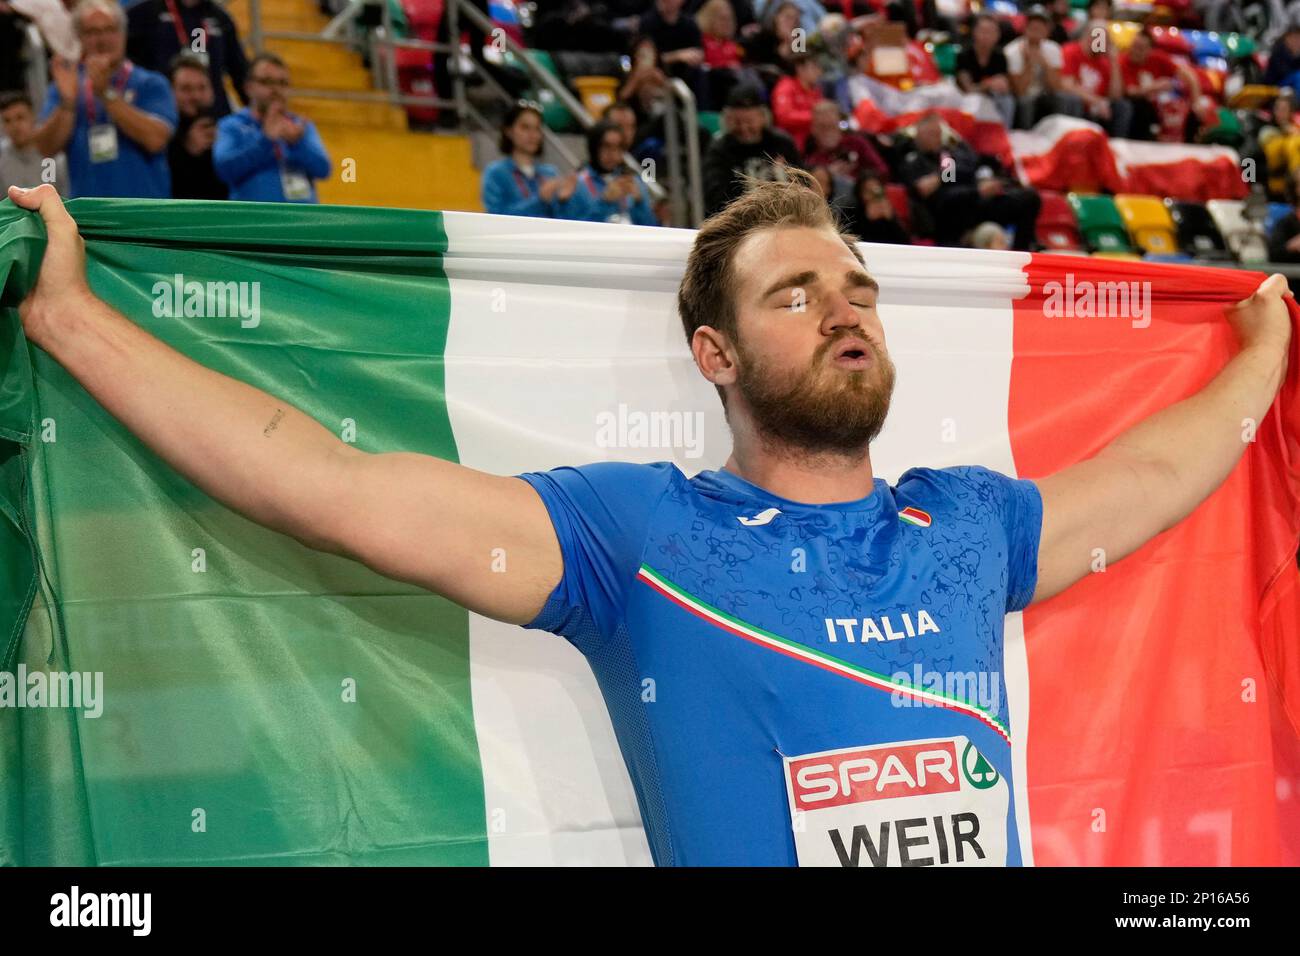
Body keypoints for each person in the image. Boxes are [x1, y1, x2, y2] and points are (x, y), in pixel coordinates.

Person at [9, 172, 1292, 865]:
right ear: (714, 354)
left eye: (856, 285)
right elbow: (329, 486)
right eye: (794, 294)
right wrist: (69, 318)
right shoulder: (639, 539)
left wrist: (1263, 348)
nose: (845, 307)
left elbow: (1149, 477)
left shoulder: (965, 526)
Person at [32, 0, 176, 199]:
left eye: (109, 29)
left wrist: (106, 94)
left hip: (145, 211)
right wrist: (67, 103)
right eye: (91, 32)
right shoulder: (67, 84)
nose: (102, 39)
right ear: (79, 37)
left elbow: (156, 140)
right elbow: (46, 148)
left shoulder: (151, 83)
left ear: (123, 33)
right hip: (88, 215)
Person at [899, 111, 1040, 250]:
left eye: (938, 134)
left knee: (1028, 197)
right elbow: (938, 196)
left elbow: (961, 174)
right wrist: (977, 191)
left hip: (971, 203)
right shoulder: (913, 160)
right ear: (919, 133)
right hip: (948, 218)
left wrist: (980, 184)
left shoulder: (946, 156)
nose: (937, 138)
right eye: (931, 134)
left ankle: (1024, 249)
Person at [213, 52, 330, 203]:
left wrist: (297, 144)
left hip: (300, 221)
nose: (276, 89)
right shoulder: (231, 125)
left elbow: (323, 169)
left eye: (282, 83)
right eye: (267, 82)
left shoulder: (300, 126)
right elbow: (224, 170)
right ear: (248, 87)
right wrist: (265, 141)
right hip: (254, 221)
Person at [126, 0, 249, 118]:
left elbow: (240, 72)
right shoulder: (144, 14)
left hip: (211, 117)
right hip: (162, 116)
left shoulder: (219, 18)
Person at [702, 83, 801, 216]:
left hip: (782, 216)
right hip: (737, 221)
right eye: (737, 122)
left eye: (749, 121)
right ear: (727, 120)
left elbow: (801, 184)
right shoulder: (719, 150)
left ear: (763, 118)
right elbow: (716, 198)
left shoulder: (782, 143)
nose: (744, 128)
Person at [480, 100, 577, 218]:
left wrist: (563, 201)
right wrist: (540, 200)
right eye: (525, 127)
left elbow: (563, 221)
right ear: (509, 131)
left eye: (537, 128)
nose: (533, 135)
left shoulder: (550, 172)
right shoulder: (495, 172)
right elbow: (495, 218)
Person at [557, 120, 657, 225]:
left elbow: (650, 229)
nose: (613, 154)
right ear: (594, 148)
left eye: (618, 147)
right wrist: (605, 202)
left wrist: (639, 203)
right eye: (606, 146)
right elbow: (573, 230)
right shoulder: (577, 183)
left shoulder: (633, 182)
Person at [1004, 5, 1081, 128]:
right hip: (1023, 97)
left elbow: (1056, 87)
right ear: (1025, 28)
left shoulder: (1054, 48)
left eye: (1041, 26)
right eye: (1033, 26)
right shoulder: (1011, 51)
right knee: (1025, 102)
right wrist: (1028, 62)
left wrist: (1044, 64)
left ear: (1047, 30)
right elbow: (1020, 91)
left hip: (1045, 95)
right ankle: (1025, 138)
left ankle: (1064, 135)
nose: (1036, 29)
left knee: (1066, 98)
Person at [1120, 27, 1201, 142]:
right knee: (1140, 106)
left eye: (1140, 48)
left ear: (1149, 50)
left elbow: (1189, 76)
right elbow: (1130, 92)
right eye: (1134, 46)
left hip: (1163, 104)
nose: (1135, 51)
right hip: (1140, 106)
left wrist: (1196, 101)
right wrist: (1155, 87)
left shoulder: (1158, 58)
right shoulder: (1123, 61)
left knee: (1192, 111)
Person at [167, 52, 226, 199]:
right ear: (170, 91)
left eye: (202, 88)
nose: (196, 96)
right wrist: (188, 151)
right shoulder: (162, 130)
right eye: (186, 89)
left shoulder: (227, 127)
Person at [1060, 15, 1130, 136]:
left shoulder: (1105, 61)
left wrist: (1114, 63)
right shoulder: (1070, 51)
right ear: (1087, 35)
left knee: (1122, 106)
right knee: (1074, 101)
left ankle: (1116, 145)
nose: (1102, 42)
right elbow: (1067, 85)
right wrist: (1096, 101)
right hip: (1080, 104)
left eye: (1105, 39)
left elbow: (1116, 95)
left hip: (1100, 109)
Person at [802, 100, 888, 183]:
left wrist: (861, 180)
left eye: (831, 126)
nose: (827, 131)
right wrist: (828, 175)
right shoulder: (810, 157)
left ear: (839, 124)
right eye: (822, 126)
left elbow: (882, 171)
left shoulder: (856, 143)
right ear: (813, 129)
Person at [0, 91, 68, 194]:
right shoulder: (1, 157)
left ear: (33, 117)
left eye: (20, 118)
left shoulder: (53, 153)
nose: (15, 126)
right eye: (7, 120)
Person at [770, 52, 823, 150]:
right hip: (792, 143)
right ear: (800, 69)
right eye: (814, 67)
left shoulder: (815, 90)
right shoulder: (785, 87)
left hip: (814, 140)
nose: (819, 72)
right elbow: (784, 116)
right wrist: (816, 117)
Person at [843, 169, 910, 245]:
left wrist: (891, 219)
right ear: (859, 193)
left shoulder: (885, 207)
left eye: (876, 190)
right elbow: (852, 242)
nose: (873, 195)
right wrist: (867, 220)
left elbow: (905, 241)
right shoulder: (850, 211)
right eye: (867, 191)